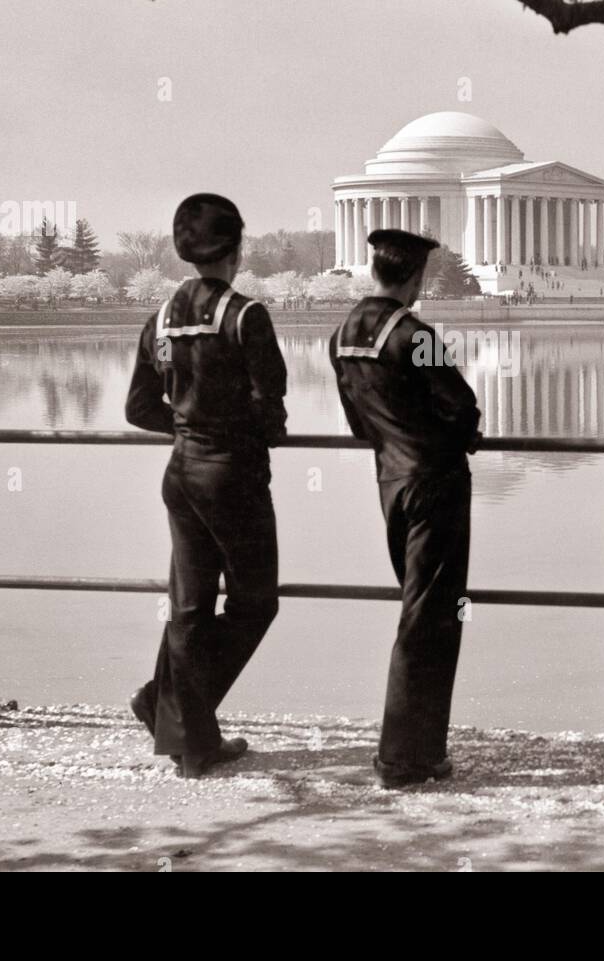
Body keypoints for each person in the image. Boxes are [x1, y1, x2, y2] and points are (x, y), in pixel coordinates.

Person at [125, 193, 288, 779]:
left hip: (181, 475)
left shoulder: (160, 320)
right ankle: (177, 718)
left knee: (190, 609)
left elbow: (139, 407)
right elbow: (273, 414)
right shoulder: (247, 316)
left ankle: (182, 728)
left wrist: (189, 424)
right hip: (233, 479)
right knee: (256, 602)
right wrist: (235, 427)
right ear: (237, 248)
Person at [328, 229, 481, 789]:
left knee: (418, 609)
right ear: (417, 277)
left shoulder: (342, 334)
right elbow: (462, 407)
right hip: (435, 484)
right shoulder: (415, 335)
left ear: (376, 270)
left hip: (389, 482)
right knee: (431, 616)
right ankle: (408, 756)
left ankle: (407, 751)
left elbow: (356, 419)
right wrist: (461, 437)